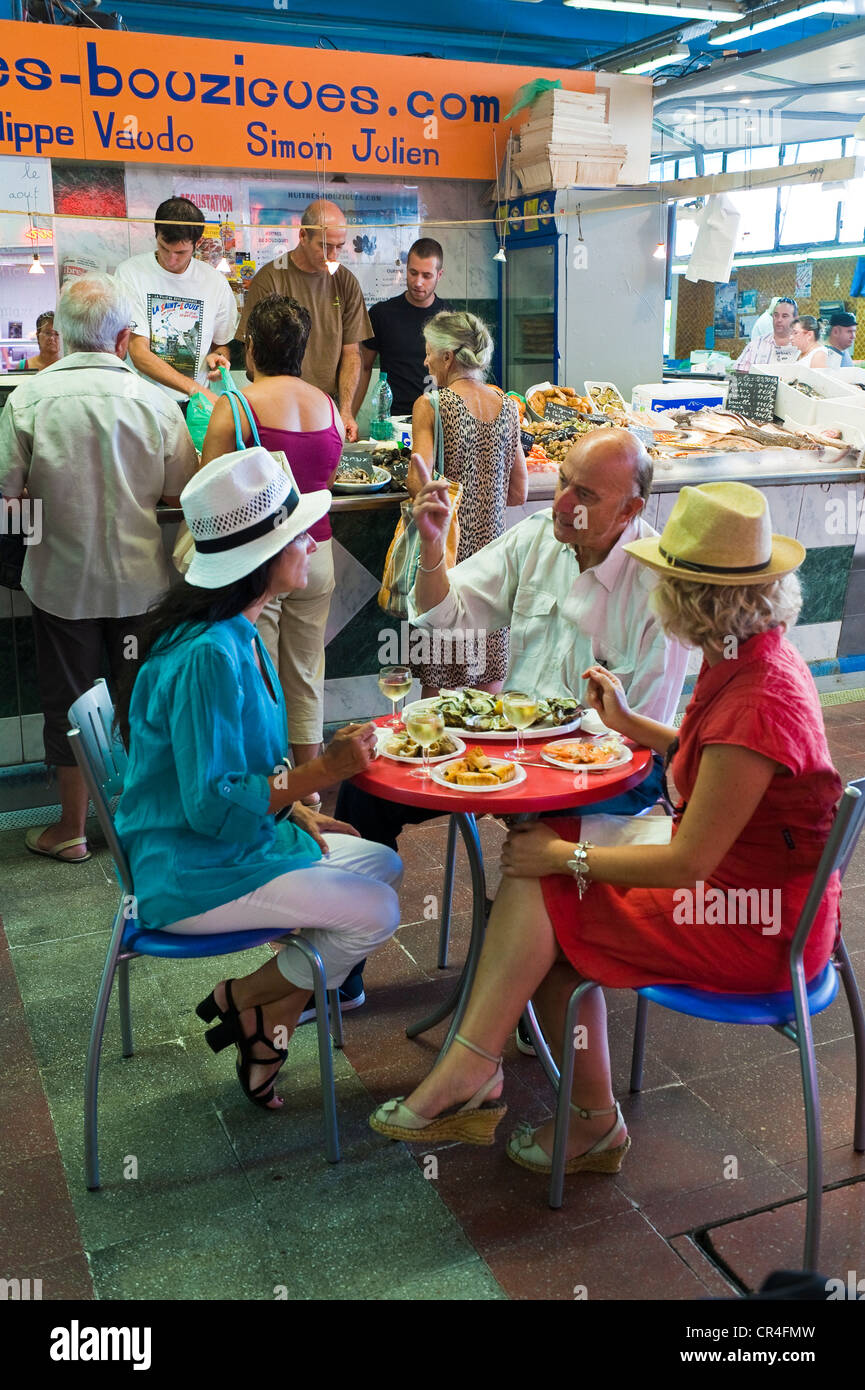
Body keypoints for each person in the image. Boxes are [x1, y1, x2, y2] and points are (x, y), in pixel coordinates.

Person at [369, 481, 842, 1176]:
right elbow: (705, 755)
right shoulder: (750, 653)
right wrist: (631, 727)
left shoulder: (756, 699)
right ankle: (502, 1078)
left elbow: (687, 861)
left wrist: (568, 858)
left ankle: (532, 1096)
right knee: (544, 880)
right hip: (762, 894)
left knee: (547, 892)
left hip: (757, 925)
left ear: (688, 596)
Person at [113, 447, 402, 1110]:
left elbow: (239, 774)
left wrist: (297, 809)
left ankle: (257, 1015)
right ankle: (246, 1004)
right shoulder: (211, 654)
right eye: (294, 533)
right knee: (377, 911)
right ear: (260, 560)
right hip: (190, 872)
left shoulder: (232, 630)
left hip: (228, 846)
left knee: (382, 865)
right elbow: (212, 804)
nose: (309, 541)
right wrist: (320, 774)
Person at [335, 428, 689, 848]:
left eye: (585, 496)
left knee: (544, 835)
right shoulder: (538, 535)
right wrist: (432, 548)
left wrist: (553, 764)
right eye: (562, 481)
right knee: (364, 785)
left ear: (630, 509)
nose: (561, 504)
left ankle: (523, 909)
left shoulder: (661, 589)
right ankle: (359, 907)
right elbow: (443, 620)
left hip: (608, 764)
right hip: (515, 743)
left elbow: (640, 740)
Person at [0, 273, 197, 862]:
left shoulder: (28, 400)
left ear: (59, 335)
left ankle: (71, 830)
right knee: (138, 702)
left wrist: (42, 513)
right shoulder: (155, 400)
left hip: (62, 584)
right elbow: (179, 491)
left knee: (69, 704)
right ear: (123, 339)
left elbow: (6, 498)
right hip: (140, 585)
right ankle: (138, 825)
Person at [201, 296, 344, 796]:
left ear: (252, 349)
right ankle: (312, 794)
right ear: (302, 350)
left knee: (258, 686)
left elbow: (209, 485)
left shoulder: (236, 405)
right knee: (306, 678)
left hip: (259, 564)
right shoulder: (326, 405)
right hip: (317, 554)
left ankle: (274, 800)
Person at [408, 311, 528, 697]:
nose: (425, 361)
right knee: (490, 682)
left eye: (428, 353)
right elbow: (518, 493)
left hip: (449, 560)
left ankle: (436, 757)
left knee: (439, 688)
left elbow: (418, 483)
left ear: (447, 357)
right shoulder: (507, 405)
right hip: (494, 563)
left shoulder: (433, 405)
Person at [238, 200, 371, 442]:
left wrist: (345, 411)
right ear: (302, 235)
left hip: (328, 410)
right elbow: (252, 361)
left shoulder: (345, 281)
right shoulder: (270, 280)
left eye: (339, 247)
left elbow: (352, 353)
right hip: (277, 412)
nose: (332, 256)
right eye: (324, 246)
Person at [114, 197, 238, 410]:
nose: (171, 260)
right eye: (164, 248)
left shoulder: (214, 282)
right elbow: (138, 352)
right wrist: (196, 389)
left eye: (180, 252)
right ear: (156, 235)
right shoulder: (130, 273)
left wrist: (219, 360)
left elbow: (221, 345)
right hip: (144, 402)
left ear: (197, 244)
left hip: (195, 406)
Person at [353, 238, 449, 418]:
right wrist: (349, 416)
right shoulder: (382, 313)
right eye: (413, 272)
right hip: (392, 420)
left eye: (426, 275)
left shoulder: (450, 317)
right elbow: (363, 367)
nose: (418, 282)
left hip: (439, 419)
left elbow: (460, 375)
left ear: (439, 275)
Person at [734, 297, 798, 371]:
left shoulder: (801, 345)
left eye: (784, 316)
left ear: (795, 319)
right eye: (776, 315)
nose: (779, 320)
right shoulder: (756, 344)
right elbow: (739, 373)